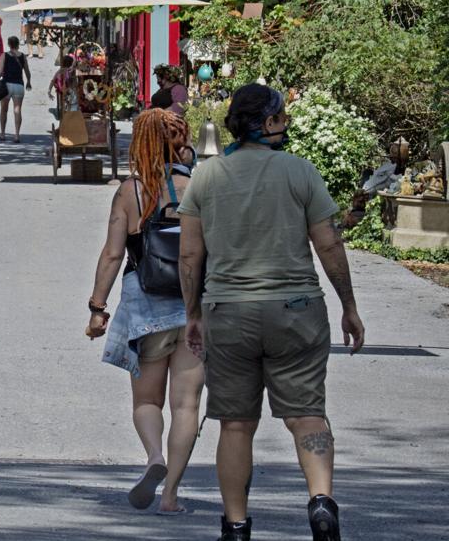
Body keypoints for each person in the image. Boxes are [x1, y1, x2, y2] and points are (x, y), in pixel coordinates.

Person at [177, 84, 366, 541]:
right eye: (281, 117)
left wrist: (194, 313)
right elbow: (328, 244)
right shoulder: (301, 172)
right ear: (265, 123)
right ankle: (321, 503)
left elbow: (188, 256)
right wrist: (349, 306)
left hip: (230, 313)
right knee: (307, 415)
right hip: (296, 311)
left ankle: (237, 526)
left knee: (236, 423)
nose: (287, 123)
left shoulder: (205, 176)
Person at [86, 109, 205, 515]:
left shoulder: (130, 191)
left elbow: (113, 253)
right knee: (186, 405)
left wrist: (97, 309)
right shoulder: (201, 188)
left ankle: (154, 455)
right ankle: (170, 494)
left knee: (146, 402)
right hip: (194, 309)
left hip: (145, 306)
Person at [0, 35, 31, 142]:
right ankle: (16, 135)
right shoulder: (23, 56)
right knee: (17, 110)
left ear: (9, 44)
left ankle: (2, 134)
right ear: (17, 44)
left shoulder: (4, 55)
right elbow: (27, 71)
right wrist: (29, 82)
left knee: (4, 110)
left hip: (6, 85)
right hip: (19, 85)